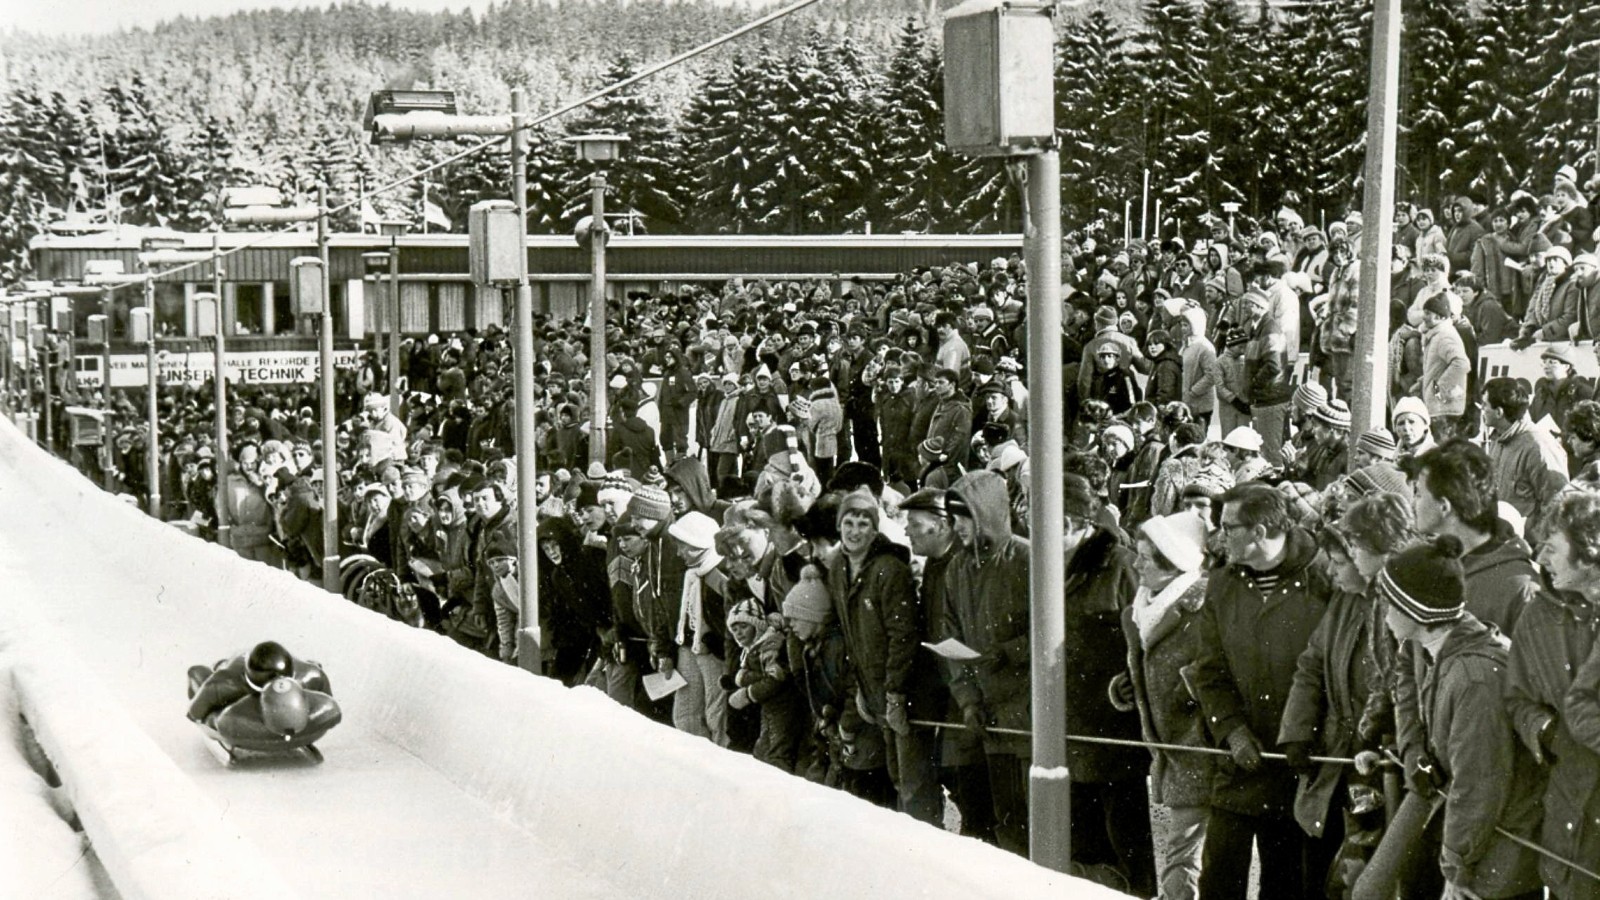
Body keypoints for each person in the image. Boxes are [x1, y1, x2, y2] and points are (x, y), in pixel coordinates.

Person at [1378, 536, 1545, 900]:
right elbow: (1406, 674)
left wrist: (1456, 868)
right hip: (1484, 852)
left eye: (1390, 604)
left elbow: (1479, 784)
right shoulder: (1440, 646)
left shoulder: (1473, 678)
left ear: (1415, 612)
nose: (1385, 614)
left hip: (1497, 868)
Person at [1193, 482, 1333, 899]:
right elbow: (1209, 670)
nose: (1219, 536)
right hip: (1240, 761)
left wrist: (1307, 734)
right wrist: (1231, 730)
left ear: (1259, 531)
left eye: (1228, 527)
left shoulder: (1323, 577)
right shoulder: (1222, 585)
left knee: (1287, 882)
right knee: (1219, 875)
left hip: (1302, 763)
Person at [1280, 493, 1414, 897]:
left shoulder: (1391, 606)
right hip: (1334, 753)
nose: (1338, 568)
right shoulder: (1342, 602)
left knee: (1364, 877)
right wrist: (1297, 730)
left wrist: (1376, 740)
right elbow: (1312, 663)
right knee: (1319, 871)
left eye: (1342, 559)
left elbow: (1396, 684)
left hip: (1378, 761)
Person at [1506, 491, 1600, 900]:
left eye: (1552, 548)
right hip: (1572, 805)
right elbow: (1517, 698)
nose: (1540, 559)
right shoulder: (1537, 615)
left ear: (1589, 552)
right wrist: (1545, 731)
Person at [1116, 510, 1213, 900]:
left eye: (1144, 557)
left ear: (1172, 564)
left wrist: (1187, 690)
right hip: (1170, 750)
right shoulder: (1141, 609)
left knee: (1183, 855)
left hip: (1199, 748)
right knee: (1183, 853)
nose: (1136, 563)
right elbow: (1148, 670)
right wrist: (1124, 688)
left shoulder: (1200, 608)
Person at [942, 470, 1032, 855]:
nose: (956, 526)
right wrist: (967, 699)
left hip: (1029, 717)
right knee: (1006, 820)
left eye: (963, 515)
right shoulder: (956, 569)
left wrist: (1010, 652)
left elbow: (1053, 630)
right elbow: (951, 640)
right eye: (952, 517)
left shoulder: (1026, 559)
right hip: (989, 717)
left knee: (1037, 822)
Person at [186, 640, 341, 754]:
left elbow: (326, 697)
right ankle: (219, 663)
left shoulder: (311, 674)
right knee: (200, 674)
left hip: (291, 665)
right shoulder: (225, 684)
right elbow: (196, 712)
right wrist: (213, 721)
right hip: (233, 666)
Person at [666, 510, 732, 747]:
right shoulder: (693, 574)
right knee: (685, 714)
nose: (679, 553)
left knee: (717, 714)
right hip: (692, 649)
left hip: (715, 654)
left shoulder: (720, 576)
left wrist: (715, 642)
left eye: (684, 546)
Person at [1482, 377, 1569, 530]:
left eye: (1484, 405)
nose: (1482, 409)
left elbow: (1557, 504)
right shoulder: (1497, 438)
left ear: (1499, 412)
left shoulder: (1539, 446)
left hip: (1529, 544)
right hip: (1503, 538)